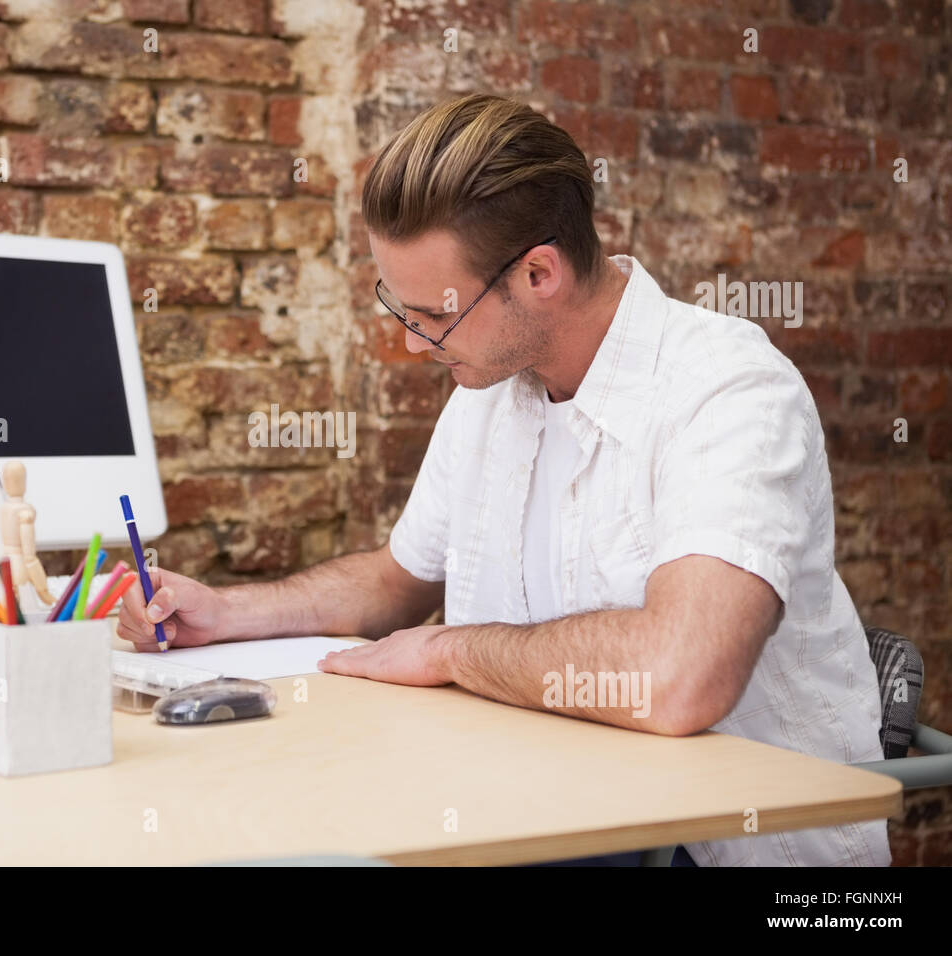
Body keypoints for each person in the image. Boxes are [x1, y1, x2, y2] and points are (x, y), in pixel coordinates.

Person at [117, 94, 889, 867]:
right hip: (546, 811)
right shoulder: (490, 391)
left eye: (433, 316)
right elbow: (396, 581)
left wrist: (453, 652)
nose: (414, 344)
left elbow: (676, 677)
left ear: (538, 273)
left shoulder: (728, 389)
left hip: (729, 848)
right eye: (400, 309)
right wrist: (224, 613)